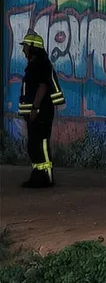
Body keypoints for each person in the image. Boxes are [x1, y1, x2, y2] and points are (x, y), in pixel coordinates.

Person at [18, 31, 64, 189]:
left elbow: (43, 86)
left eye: (25, 46)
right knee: (33, 144)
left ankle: (46, 177)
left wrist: (35, 108)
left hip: (41, 112)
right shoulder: (35, 64)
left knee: (41, 143)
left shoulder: (40, 64)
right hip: (35, 112)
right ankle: (37, 175)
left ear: (32, 47)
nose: (23, 50)